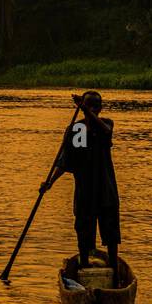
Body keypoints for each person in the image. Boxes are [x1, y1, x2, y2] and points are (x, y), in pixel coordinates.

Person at [40, 91, 122, 287]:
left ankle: (116, 275)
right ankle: (84, 270)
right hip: (85, 190)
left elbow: (105, 133)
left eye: (96, 106)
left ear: (100, 108)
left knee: (111, 234)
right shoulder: (77, 130)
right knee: (84, 232)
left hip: (106, 190)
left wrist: (86, 110)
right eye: (89, 106)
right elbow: (67, 161)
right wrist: (49, 182)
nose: (93, 109)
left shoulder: (106, 124)